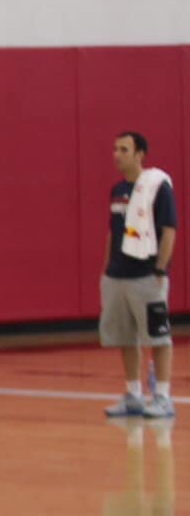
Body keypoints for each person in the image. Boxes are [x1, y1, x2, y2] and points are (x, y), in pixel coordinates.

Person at [102, 131, 176, 420]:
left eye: (124, 149)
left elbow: (169, 230)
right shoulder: (117, 189)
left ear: (139, 154)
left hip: (147, 275)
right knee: (125, 336)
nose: (116, 154)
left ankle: (163, 397)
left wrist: (160, 268)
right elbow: (112, 232)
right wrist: (106, 269)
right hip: (117, 276)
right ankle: (133, 394)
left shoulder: (157, 187)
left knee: (158, 338)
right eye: (115, 148)